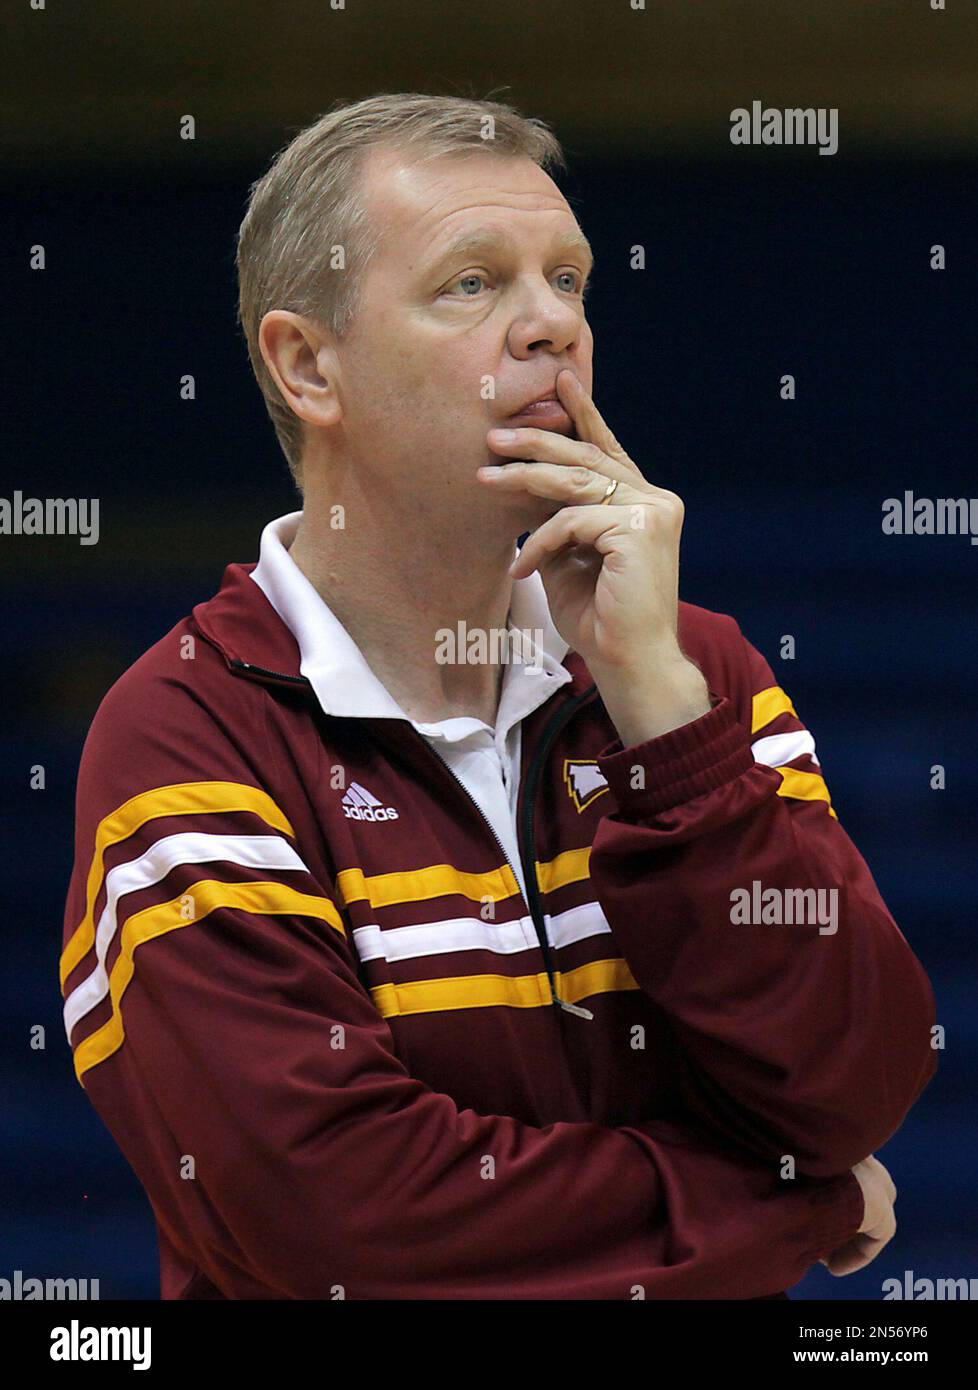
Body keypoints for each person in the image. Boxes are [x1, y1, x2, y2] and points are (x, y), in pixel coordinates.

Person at [60, 92, 935, 1300]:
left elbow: (854, 1083)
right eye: (473, 284)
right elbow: (352, 1232)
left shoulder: (695, 674)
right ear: (309, 364)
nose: (552, 329)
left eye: (569, 282)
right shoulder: (188, 733)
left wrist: (662, 715)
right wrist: (799, 1205)